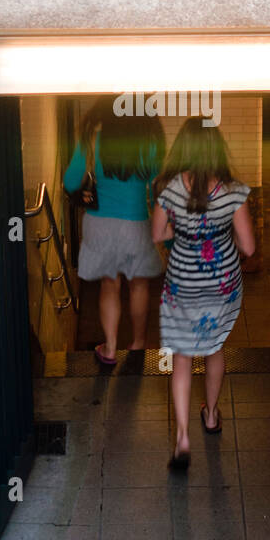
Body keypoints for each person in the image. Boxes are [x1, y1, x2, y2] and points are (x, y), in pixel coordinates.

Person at [151, 118, 255, 470]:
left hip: (182, 281)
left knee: (182, 357)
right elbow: (250, 247)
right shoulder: (234, 192)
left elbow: (157, 235)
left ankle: (182, 436)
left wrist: (184, 235)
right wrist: (222, 240)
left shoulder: (169, 190)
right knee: (213, 349)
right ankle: (210, 415)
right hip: (220, 284)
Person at [64, 95, 165, 365]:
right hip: (136, 224)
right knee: (138, 285)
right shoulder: (149, 145)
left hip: (99, 224)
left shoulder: (92, 140)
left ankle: (109, 348)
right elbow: (156, 193)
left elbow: (71, 180)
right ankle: (138, 344)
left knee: (110, 285)